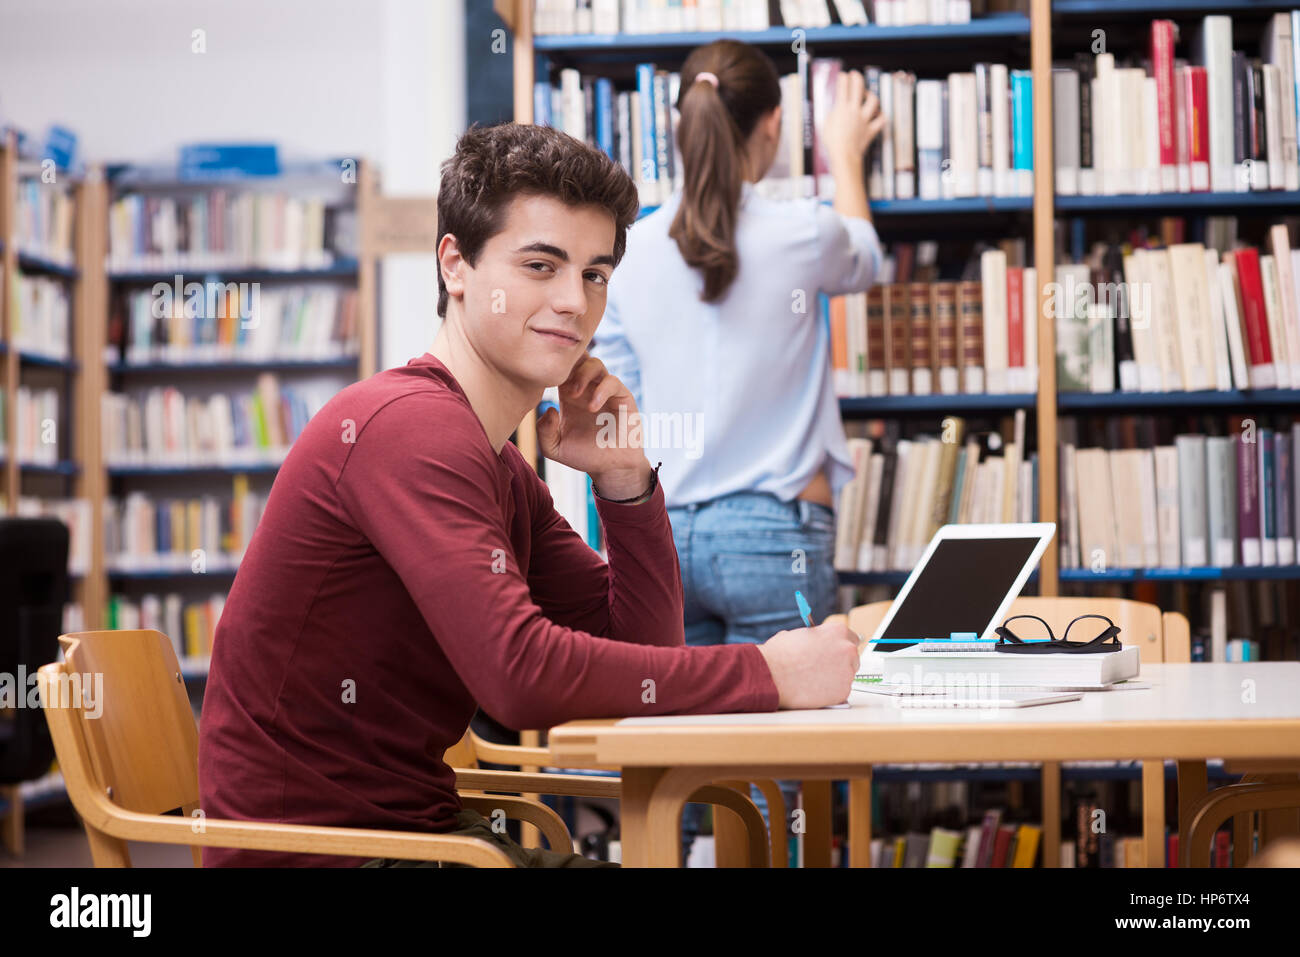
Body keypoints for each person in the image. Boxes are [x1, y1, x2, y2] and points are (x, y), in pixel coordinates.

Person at [196, 121, 861, 868]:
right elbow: (518, 676)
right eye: (541, 265)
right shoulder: (409, 431)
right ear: (456, 264)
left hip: (427, 842)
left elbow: (644, 656)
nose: (574, 301)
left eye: (595, 273)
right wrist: (765, 675)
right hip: (331, 857)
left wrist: (623, 481)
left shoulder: (497, 462)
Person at [589, 39, 887, 861]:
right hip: (776, 539)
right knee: (792, 778)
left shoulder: (630, 255)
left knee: (683, 773)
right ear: (774, 128)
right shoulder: (802, 233)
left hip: (668, 542)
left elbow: (622, 404)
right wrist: (848, 154)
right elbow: (867, 255)